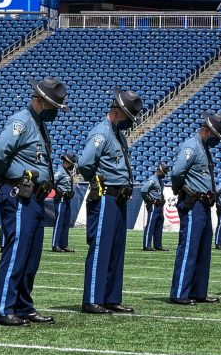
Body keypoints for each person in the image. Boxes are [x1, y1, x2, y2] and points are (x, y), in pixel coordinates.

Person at [0, 78, 65, 326]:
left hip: (36, 197)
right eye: (53, 105)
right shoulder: (21, 122)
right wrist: (9, 178)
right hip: (19, 194)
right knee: (17, 252)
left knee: (31, 256)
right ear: (40, 101)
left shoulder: (38, 124)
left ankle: (23, 305)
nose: (55, 111)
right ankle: (4, 308)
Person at [76, 88, 145, 314]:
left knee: (116, 249)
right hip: (105, 196)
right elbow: (86, 163)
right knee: (100, 248)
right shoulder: (102, 133)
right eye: (127, 117)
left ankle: (111, 297)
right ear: (117, 112)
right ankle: (93, 299)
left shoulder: (117, 135)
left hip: (118, 198)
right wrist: (97, 182)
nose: (129, 122)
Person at [168, 113, 221, 304]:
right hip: (193, 203)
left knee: (203, 250)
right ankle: (180, 293)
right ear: (207, 131)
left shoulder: (202, 147)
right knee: (189, 248)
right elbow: (177, 172)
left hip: (204, 204)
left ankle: (198, 292)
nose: (217, 141)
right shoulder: (192, 146)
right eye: (216, 137)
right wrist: (183, 189)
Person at [50, 151, 78, 253]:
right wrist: (59, 191)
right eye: (71, 163)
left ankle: (63, 244)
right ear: (68, 162)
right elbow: (52, 182)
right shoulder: (60, 171)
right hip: (61, 199)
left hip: (67, 199)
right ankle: (55, 244)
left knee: (66, 222)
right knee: (59, 222)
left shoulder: (67, 172)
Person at [140, 164, 168, 251]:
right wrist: (148, 200)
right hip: (154, 205)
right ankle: (147, 245)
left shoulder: (160, 181)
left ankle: (158, 245)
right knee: (151, 225)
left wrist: (162, 199)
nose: (165, 175)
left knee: (159, 225)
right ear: (159, 170)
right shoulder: (152, 180)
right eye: (164, 173)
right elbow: (143, 190)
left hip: (160, 206)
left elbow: (159, 192)